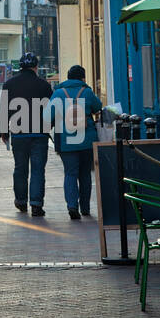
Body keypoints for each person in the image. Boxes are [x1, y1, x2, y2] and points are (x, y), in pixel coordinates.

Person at [0, 52, 53, 216]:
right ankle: (36, 204)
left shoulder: (9, 84)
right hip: (39, 134)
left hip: (19, 133)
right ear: (36, 67)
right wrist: (49, 127)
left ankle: (21, 201)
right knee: (38, 169)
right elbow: (51, 110)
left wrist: (4, 132)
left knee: (20, 168)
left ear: (20, 67)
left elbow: (4, 109)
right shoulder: (44, 85)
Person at [48, 65, 102, 219]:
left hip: (66, 142)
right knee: (85, 174)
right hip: (87, 141)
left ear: (68, 77)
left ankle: (72, 206)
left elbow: (48, 116)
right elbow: (98, 108)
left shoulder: (58, 93)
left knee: (70, 173)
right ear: (82, 78)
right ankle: (85, 208)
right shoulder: (87, 92)